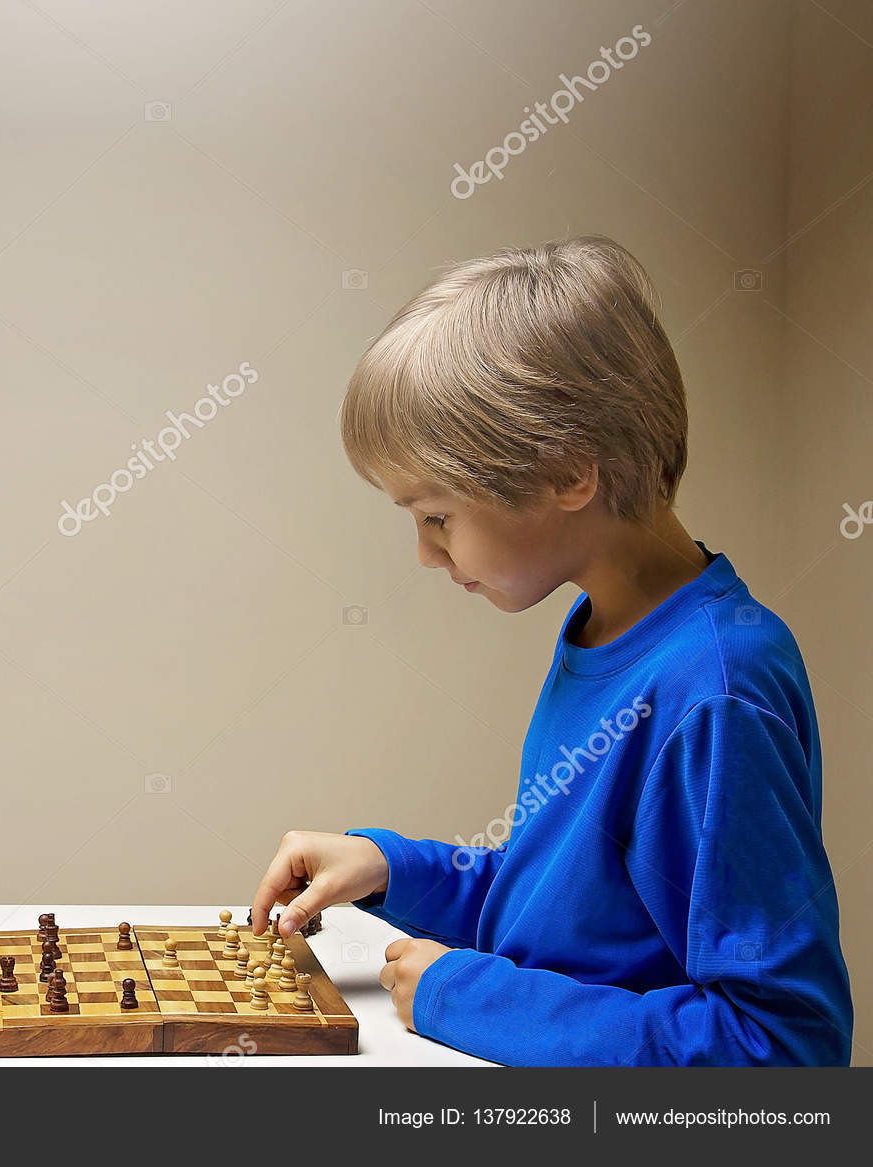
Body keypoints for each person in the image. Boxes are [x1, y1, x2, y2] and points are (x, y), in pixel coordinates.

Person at [252, 235, 852, 1066]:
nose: (427, 554)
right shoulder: (601, 629)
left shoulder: (715, 689)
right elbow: (569, 918)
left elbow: (780, 1048)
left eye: (436, 516)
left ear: (570, 472)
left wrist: (461, 993)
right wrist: (393, 866)